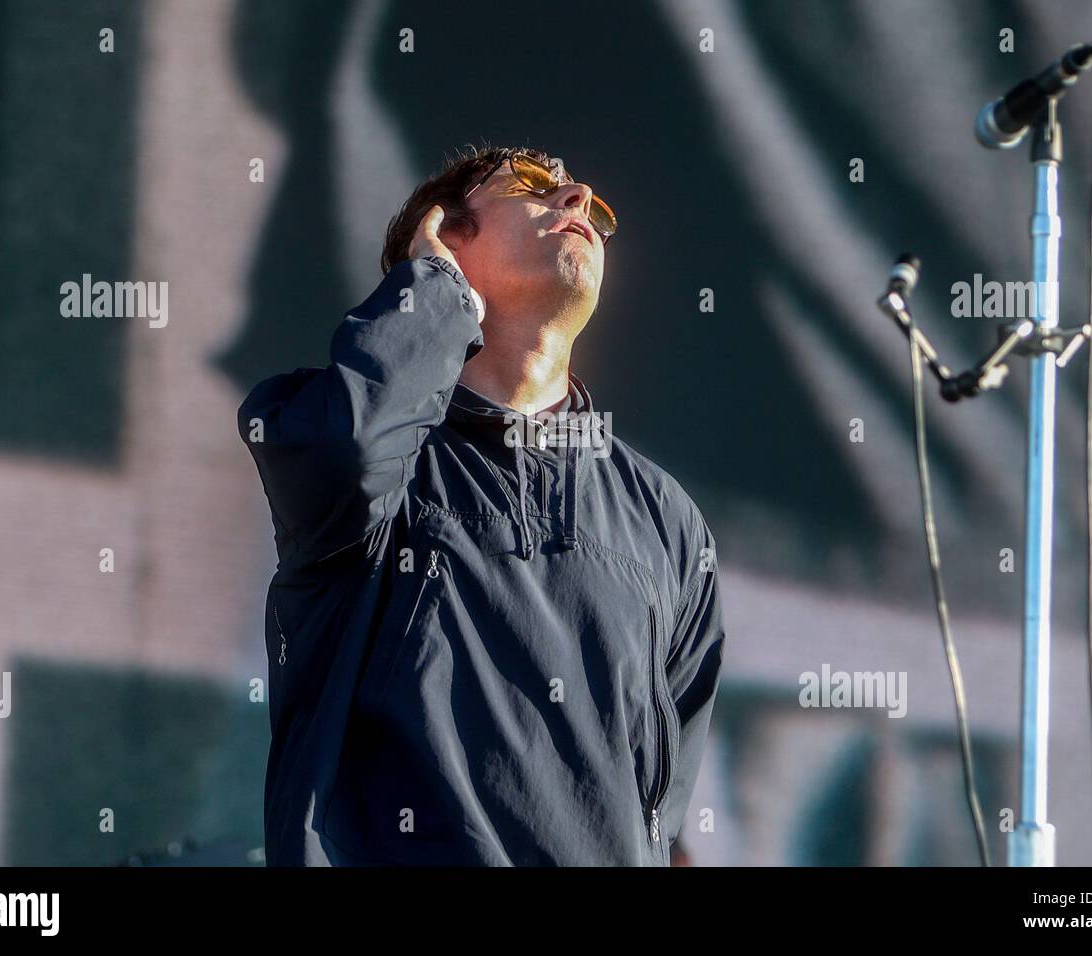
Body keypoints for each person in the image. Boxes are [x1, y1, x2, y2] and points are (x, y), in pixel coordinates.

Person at [238, 144, 726, 865]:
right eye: (531, 185)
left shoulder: (666, 518)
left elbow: (661, 792)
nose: (578, 198)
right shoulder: (354, 428)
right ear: (443, 233)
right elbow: (346, 455)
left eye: (590, 203)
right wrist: (431, 289)